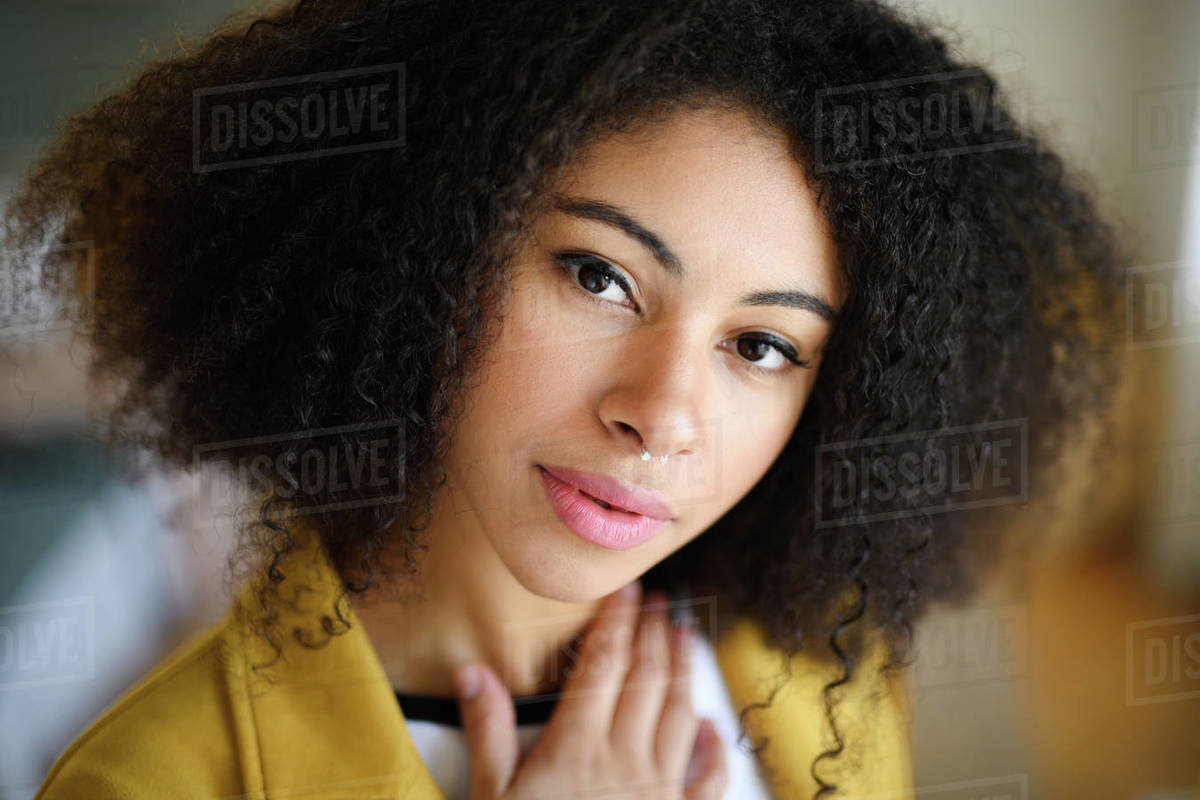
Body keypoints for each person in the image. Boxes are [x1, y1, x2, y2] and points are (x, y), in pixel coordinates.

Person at [5, 0, 1125, 797]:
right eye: (599, 276)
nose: (663, 413)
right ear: (418, 251)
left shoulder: (832, 680)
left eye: (764, 344)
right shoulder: (144, 776)